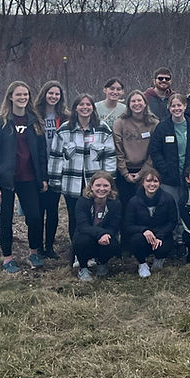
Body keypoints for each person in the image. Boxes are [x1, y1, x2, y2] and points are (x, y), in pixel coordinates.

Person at [0, 81, 48, 272]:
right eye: (19, 95)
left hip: (29, 179)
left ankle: (33, 252)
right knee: (5, 219)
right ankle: (8, 258)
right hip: (6, 181)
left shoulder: (34, 122)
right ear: (11, 97)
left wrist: (43, 177)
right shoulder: (2, 123)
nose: (22, 98)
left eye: (26, 95)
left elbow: (41, 153)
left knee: (35, 218)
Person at [48, 94, 117, 257]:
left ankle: (94, 252)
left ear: (93, 108)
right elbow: (56, 157)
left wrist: (109, 182)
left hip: (96, 186)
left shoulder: (103, 128)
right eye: (81, 104)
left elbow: (110, 157)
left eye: (88, 105)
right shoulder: (64, 130)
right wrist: (55, 181)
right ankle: (78, 252)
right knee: (75, 218)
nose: (85, 107)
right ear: (75, 108)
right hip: (72, 184)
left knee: (96, 217)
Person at [149, 93, 190, 202]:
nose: (176, 109)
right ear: (169, 108)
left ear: (185, 106)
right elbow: (155, 150)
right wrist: (165, 169)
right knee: (171, 208)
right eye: (173, 106)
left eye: (179, 105)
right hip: (169, 179)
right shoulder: (162, 127)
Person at [123, 169, 177, 278]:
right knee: (136, 241)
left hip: (162, 234)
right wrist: (144, 230)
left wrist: (159, 235)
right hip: (143, 235)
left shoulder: (168, 199)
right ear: (142, 182)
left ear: (160, 183)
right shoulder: (134, 201)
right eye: (148, 181)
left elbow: (172, 221)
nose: (152, 184)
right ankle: (142, 264)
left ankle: (159, 259)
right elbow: (128, 225)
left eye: (155, 181)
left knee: (164, 247)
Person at [36, 80, 68, 258]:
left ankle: (49, 246)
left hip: (58, 169)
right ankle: (38, 246)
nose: (53, 96)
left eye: (57, 94)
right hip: (40, 168)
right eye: (51, 93)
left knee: (53, 209)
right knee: (39, 210)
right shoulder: (35, 115)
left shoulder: (65, 116)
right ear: (44, 94)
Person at [72, 171, 122, 281]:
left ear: (111, 188)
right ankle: (83, 267)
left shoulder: (116, 203)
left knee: (112, 244)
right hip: (86, 236)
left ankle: (102, 263)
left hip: (105, 237)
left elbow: (114, 227)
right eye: (98, 185)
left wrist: (105, 235)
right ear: (91, 187)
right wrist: (100, 234)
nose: (101, 189)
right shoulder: (82, 201)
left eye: (105, 185)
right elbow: (82, 226)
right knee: (82, 241)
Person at [112, 90, 159, 206]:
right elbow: (118, 150)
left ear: (145, 103)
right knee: (124, 204)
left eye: (139, 100)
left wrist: (142, 172)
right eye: (133, 101)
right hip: (124, 171)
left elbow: (155, 150)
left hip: (147, 171)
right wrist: (125, 173)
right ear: (128, 105)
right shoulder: (120, 123)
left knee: (143, 205)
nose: (136, 103)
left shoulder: (154, 123)